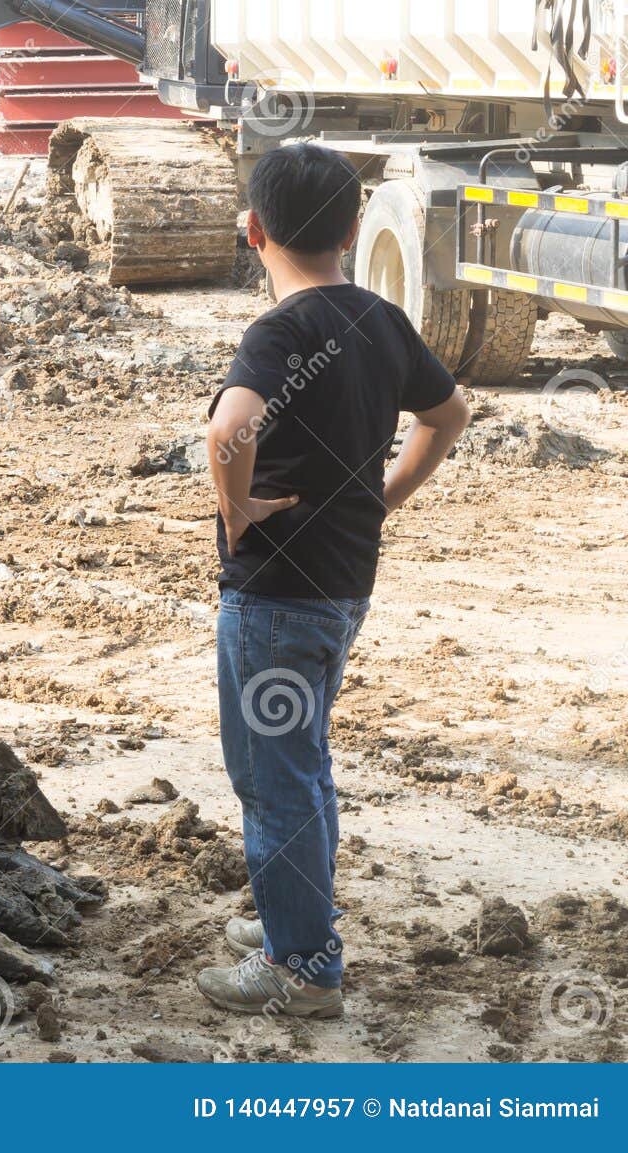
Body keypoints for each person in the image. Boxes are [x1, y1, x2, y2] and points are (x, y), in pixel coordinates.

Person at [198, 144, 472, 1017]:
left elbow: (228, 431)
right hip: (343, 584)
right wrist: (380, 496)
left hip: (274, 593)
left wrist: (235, 509)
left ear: (255, 231)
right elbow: (449, 413)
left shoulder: (278, 332)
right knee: (304, 762)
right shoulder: (381, 320)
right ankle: (295, 917)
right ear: (354, 231)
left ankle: (303, 969)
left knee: (272, 776)